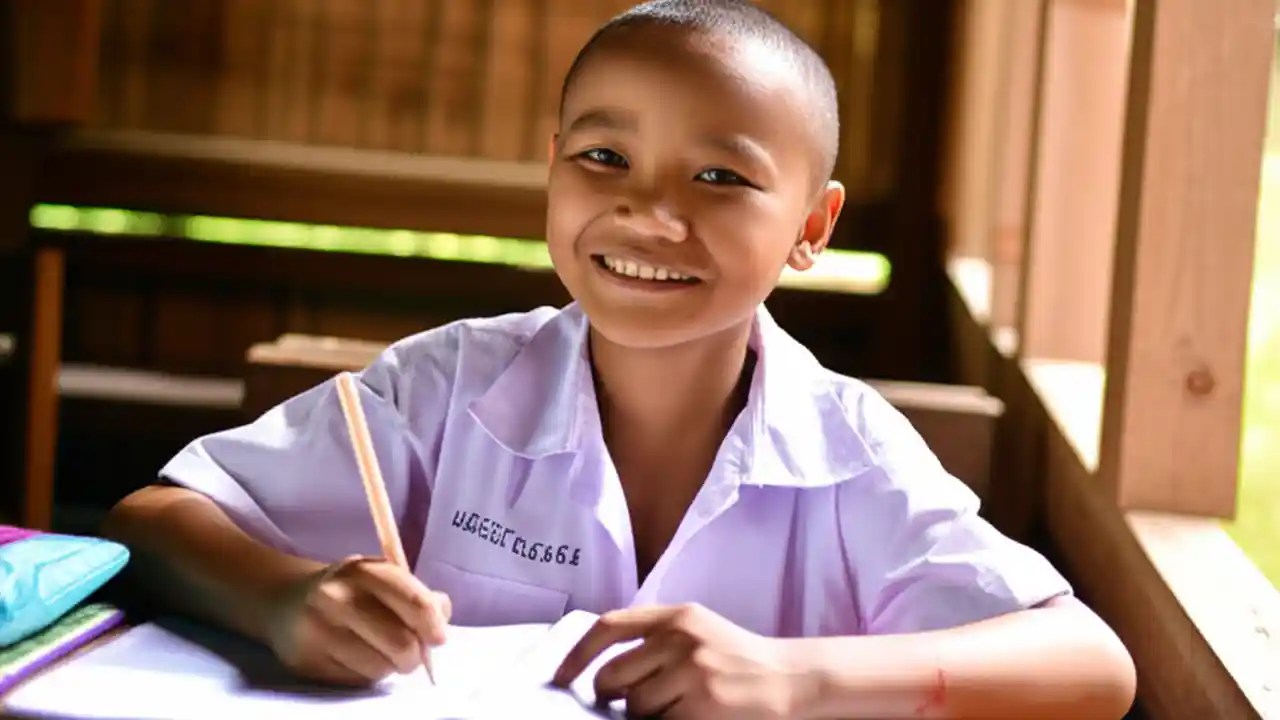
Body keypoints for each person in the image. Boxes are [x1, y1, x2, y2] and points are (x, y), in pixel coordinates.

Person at [103, 1, 1137, 717]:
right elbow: (152, 522)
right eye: (604, 158)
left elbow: (1090, 667)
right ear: (550, 169)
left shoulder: (849, 454)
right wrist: (284, 598)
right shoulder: (446, 387)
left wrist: (790, 681)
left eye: (721, 175)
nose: (648, 211)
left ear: (811, 226)